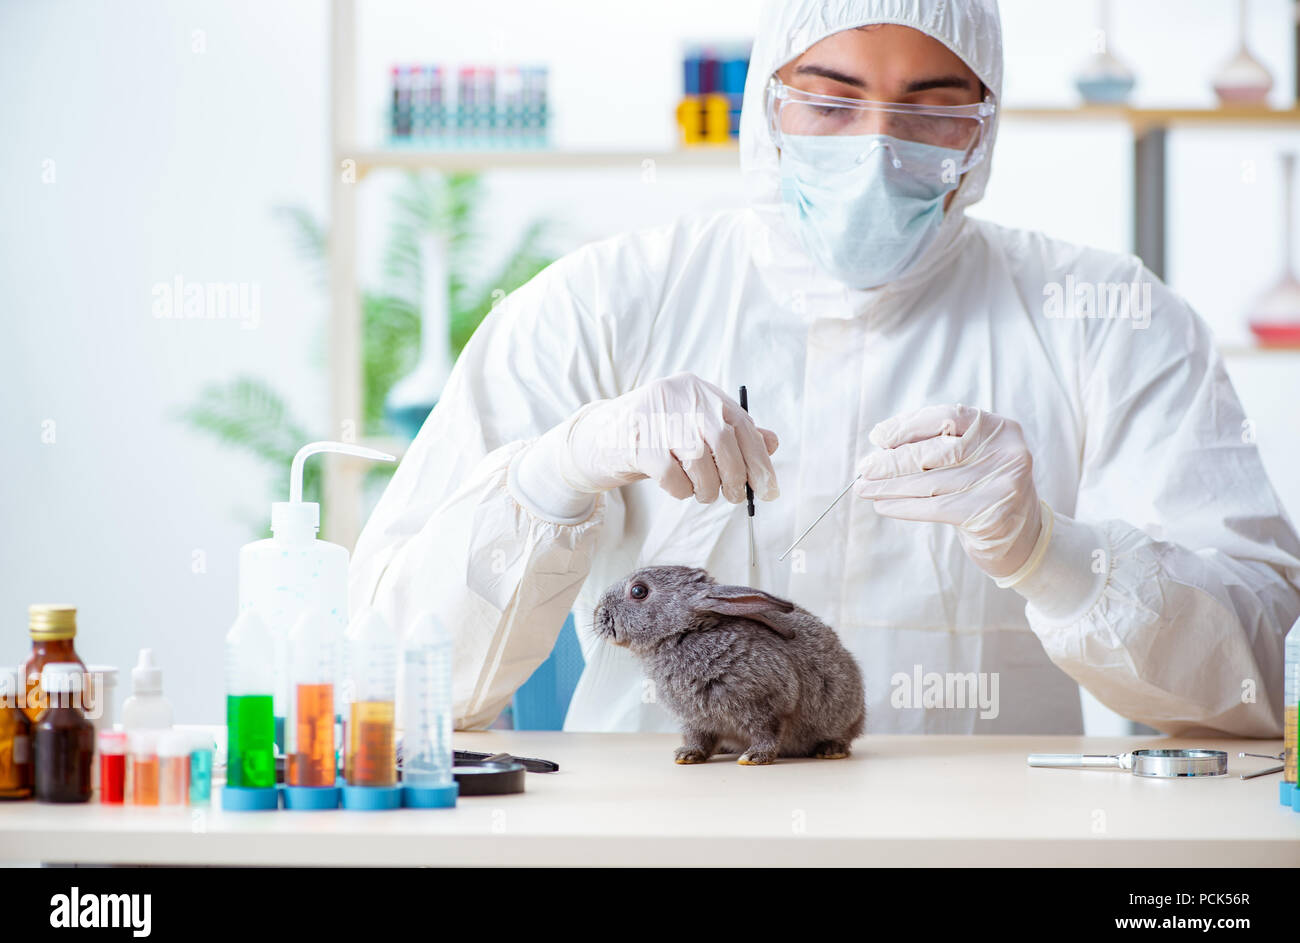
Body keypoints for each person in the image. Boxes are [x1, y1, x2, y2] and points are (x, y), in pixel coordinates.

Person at [349, 0, 1300, 736]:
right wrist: (559, 469)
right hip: (660, 841)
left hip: (979, 848)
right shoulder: (598, 303)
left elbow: (1257, 685)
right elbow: (392, 678)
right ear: (768, 102)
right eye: (831, 100)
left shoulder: (1108, 317)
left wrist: (1049, 553)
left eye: (933, 108)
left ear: (985, 125)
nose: (875, 148)